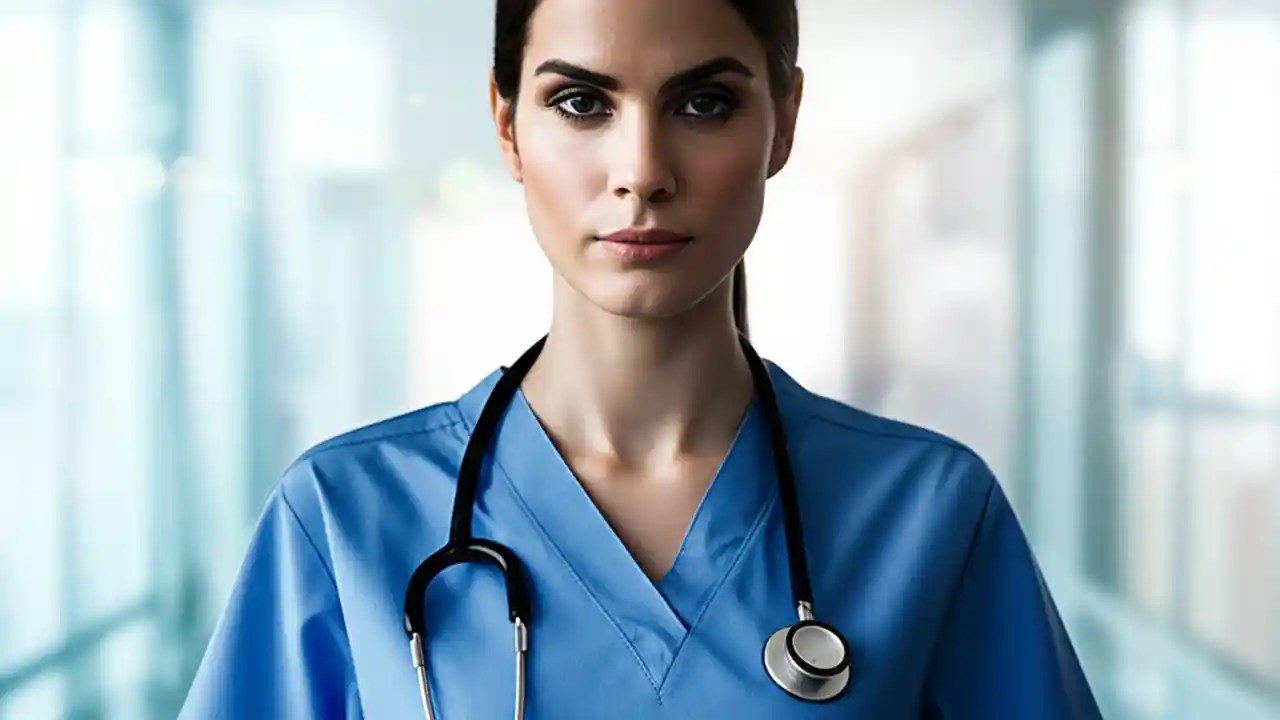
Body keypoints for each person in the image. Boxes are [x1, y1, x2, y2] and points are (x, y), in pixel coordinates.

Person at [179, 0, 1102, 717]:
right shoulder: (345, 517)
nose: (642, 168)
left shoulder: (928, 514)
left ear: (782, 122)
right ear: (506, 126)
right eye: (581, 102)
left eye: (703, 103)